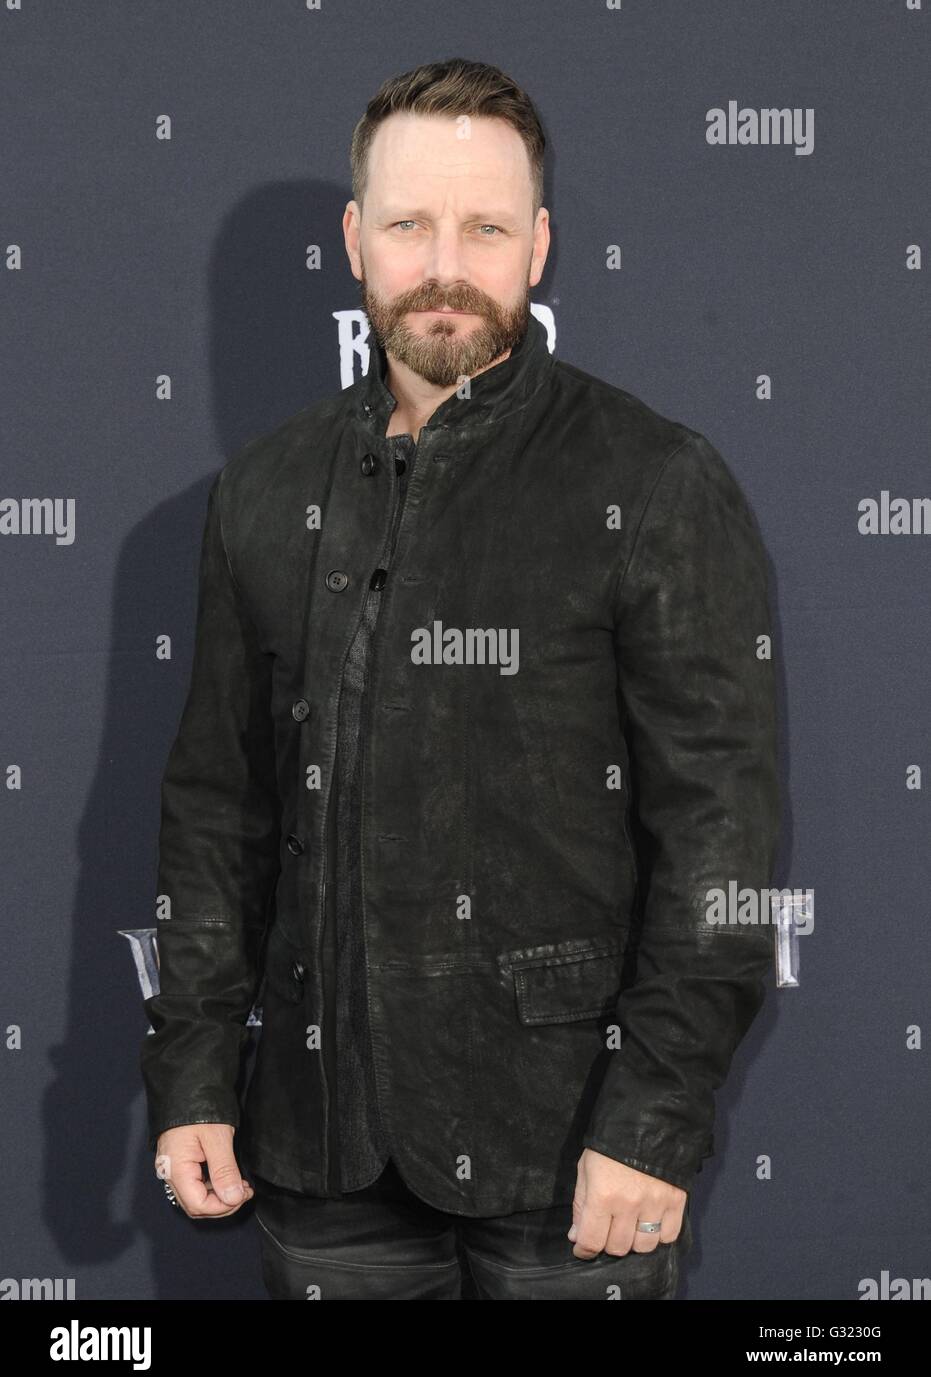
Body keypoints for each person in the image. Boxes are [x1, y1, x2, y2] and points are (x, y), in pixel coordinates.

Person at [140, 57, 781, 1301]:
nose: (446, 261)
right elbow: (218, 812)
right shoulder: (265, 492)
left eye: (485, 225)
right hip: (321, 1151)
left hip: (571, 1157)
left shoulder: (650, 479)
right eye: (409, 224)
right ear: (354, 242)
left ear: (538, 246)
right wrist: (194, 1074)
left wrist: (650, 1118)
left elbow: (723, 843)